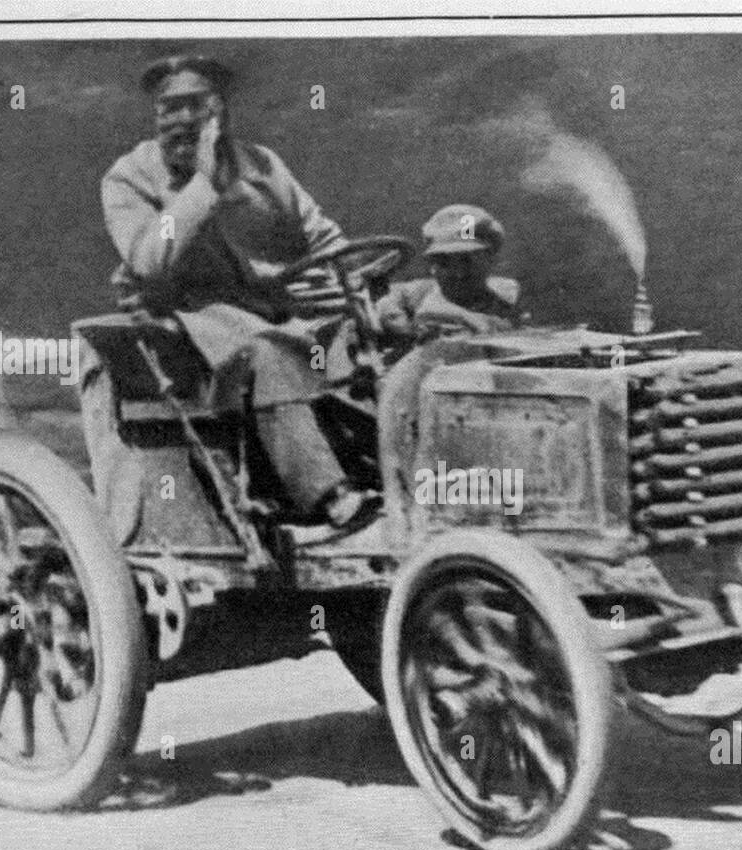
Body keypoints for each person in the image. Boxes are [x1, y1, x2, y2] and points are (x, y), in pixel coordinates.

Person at [98, 53, 377, 528]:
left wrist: (365, 289)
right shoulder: (129, 178)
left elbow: (323, 238)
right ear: (156, 116)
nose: (183, 121)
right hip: (190, 336)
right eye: (170, 108)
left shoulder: (264, 167)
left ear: (222, 111)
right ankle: (331, 497)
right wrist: (203, 185)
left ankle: (406, 477)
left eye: (197, 106)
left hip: (280, 317)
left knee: (375, 342)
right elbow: (147, 261)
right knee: (265, 353)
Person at [377, 204, 526, 339]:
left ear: (490, 260)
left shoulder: (509, 300)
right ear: (432, 266)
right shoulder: (416, 293)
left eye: (467, 261)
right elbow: (379, 302)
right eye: (444, 262)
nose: (458, 273)